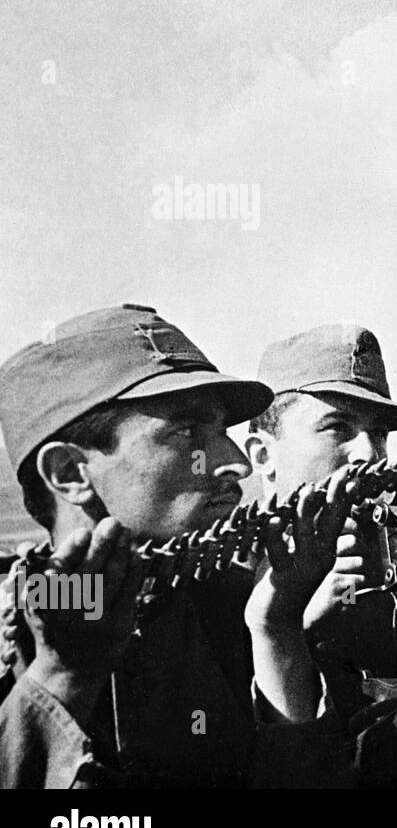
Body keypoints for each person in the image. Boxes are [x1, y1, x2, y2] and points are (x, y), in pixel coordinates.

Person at [0, 304, 350, 787]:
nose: (235, 464)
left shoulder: (226, 600)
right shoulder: (15, 639)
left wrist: (278, 626)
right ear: (69, 473)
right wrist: (63, 679)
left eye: (222, 431)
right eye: (188, 432)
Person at [243, 324, 397, 714]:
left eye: (379, 433)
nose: (369, 455)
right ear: (264, 456)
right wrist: (290, 631)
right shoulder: (216, 580)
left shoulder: (391, 556)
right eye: (337, 427)